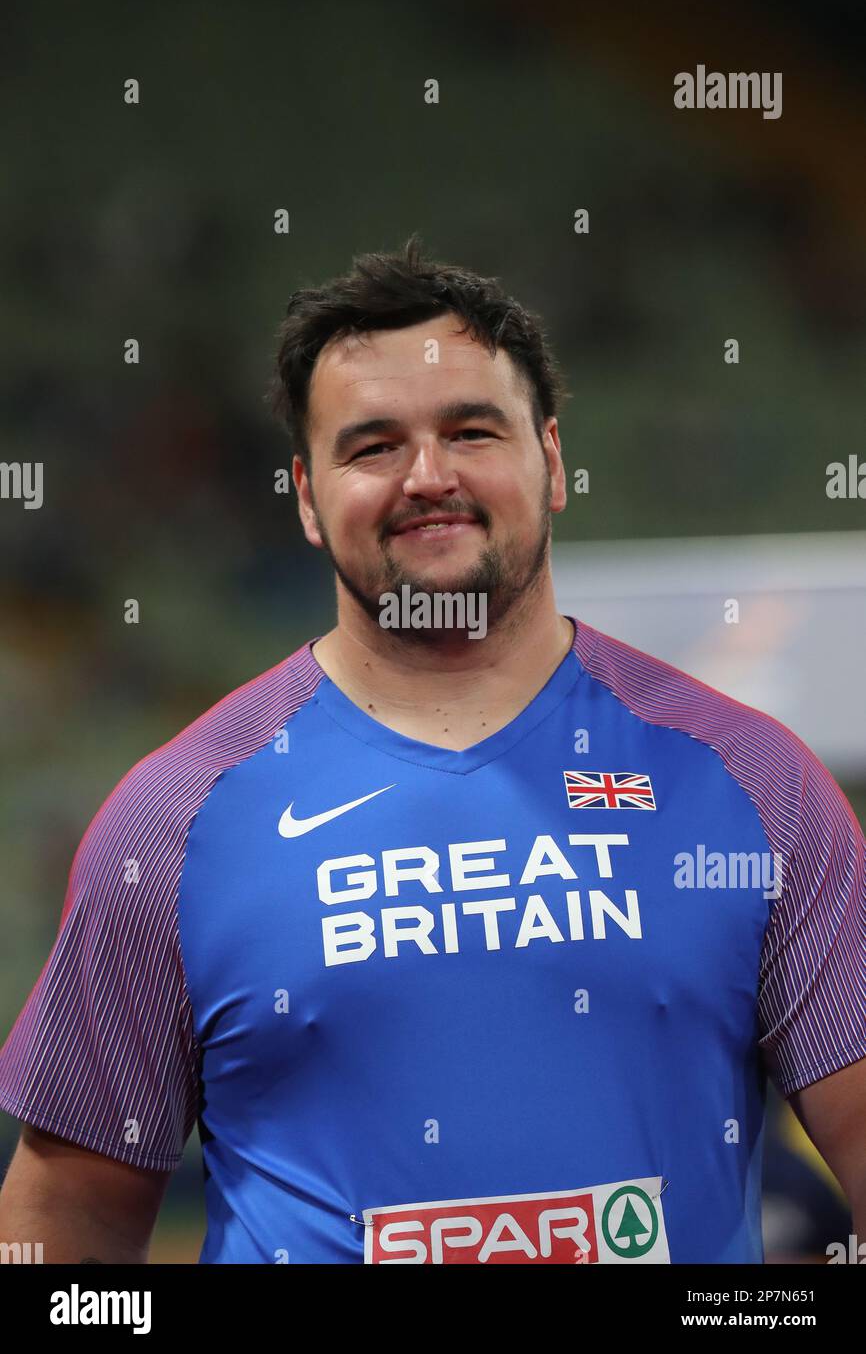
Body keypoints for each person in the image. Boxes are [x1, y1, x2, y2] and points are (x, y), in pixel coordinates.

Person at [1, 236, 864, 1264]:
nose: (427, 476)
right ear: (306, 496)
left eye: (470, 431)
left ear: (550, 460)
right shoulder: (175, 821)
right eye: (372, 447)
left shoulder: (754, 785)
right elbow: (66, 1217)